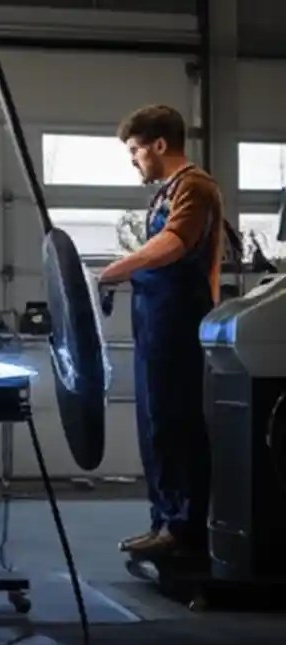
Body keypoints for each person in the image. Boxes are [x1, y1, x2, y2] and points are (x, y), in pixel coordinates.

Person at [97, 105, 223, 560]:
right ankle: (165, 521)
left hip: (178, 321)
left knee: (175, 422)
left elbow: (173, 244)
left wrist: (114, 271)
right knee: (156, 423)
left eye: (136, 150)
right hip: (156, 321)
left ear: (160, 145)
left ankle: (183, 529)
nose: (133, 160)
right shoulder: (168, 190)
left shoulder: (194, 186)